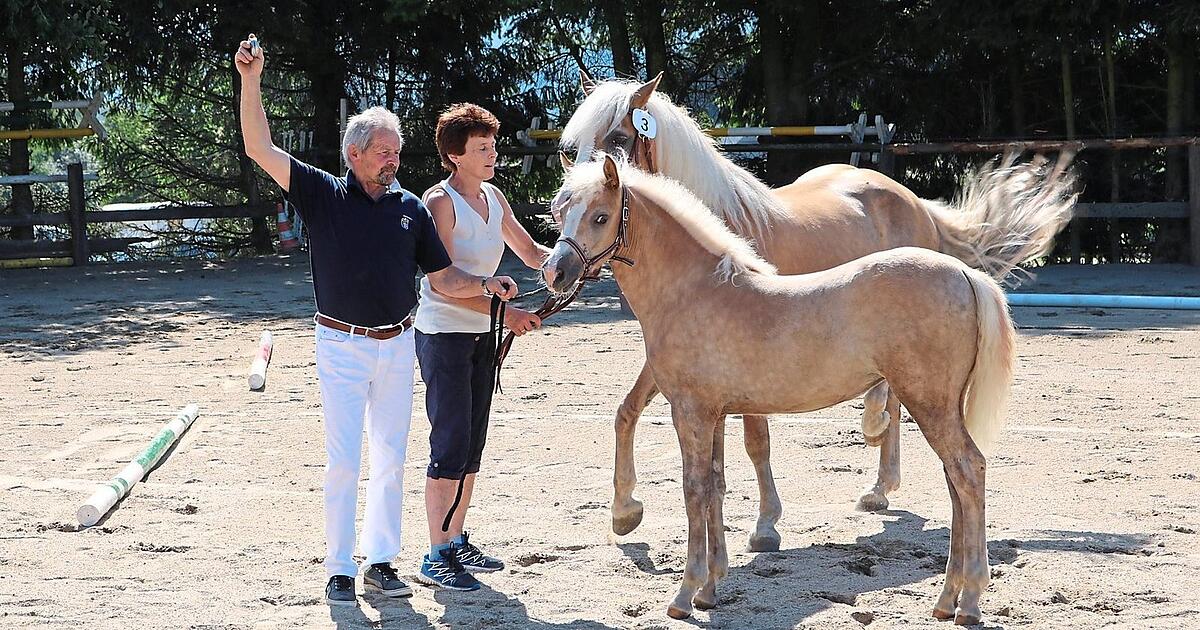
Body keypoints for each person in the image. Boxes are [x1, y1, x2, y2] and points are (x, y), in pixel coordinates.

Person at [233, 35, 518, 607]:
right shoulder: (320, 192)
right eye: (384, 151)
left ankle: (381, 560)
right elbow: (258, 145)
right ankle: (340, 566)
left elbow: (444, 279)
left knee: (391, 457)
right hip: (340, 344)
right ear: (355, 153)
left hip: (398, 345)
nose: (394, 159)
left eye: (396, 151)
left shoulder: (411, 208)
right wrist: (252, 80)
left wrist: (489, 288)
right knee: (344, 461)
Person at [413, 103, 550, 591]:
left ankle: (455, 539)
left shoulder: (495, 197)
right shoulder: (440, 203)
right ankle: (435, 553)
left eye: (492, 145)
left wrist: (573, 261)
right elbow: (445, 282)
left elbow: (533, 253)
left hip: (481, 336)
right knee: (449, 444)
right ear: (455, 155)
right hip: (444, 336)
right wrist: (504, 309)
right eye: (482, 148)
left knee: (472, 444)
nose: (493, 154)